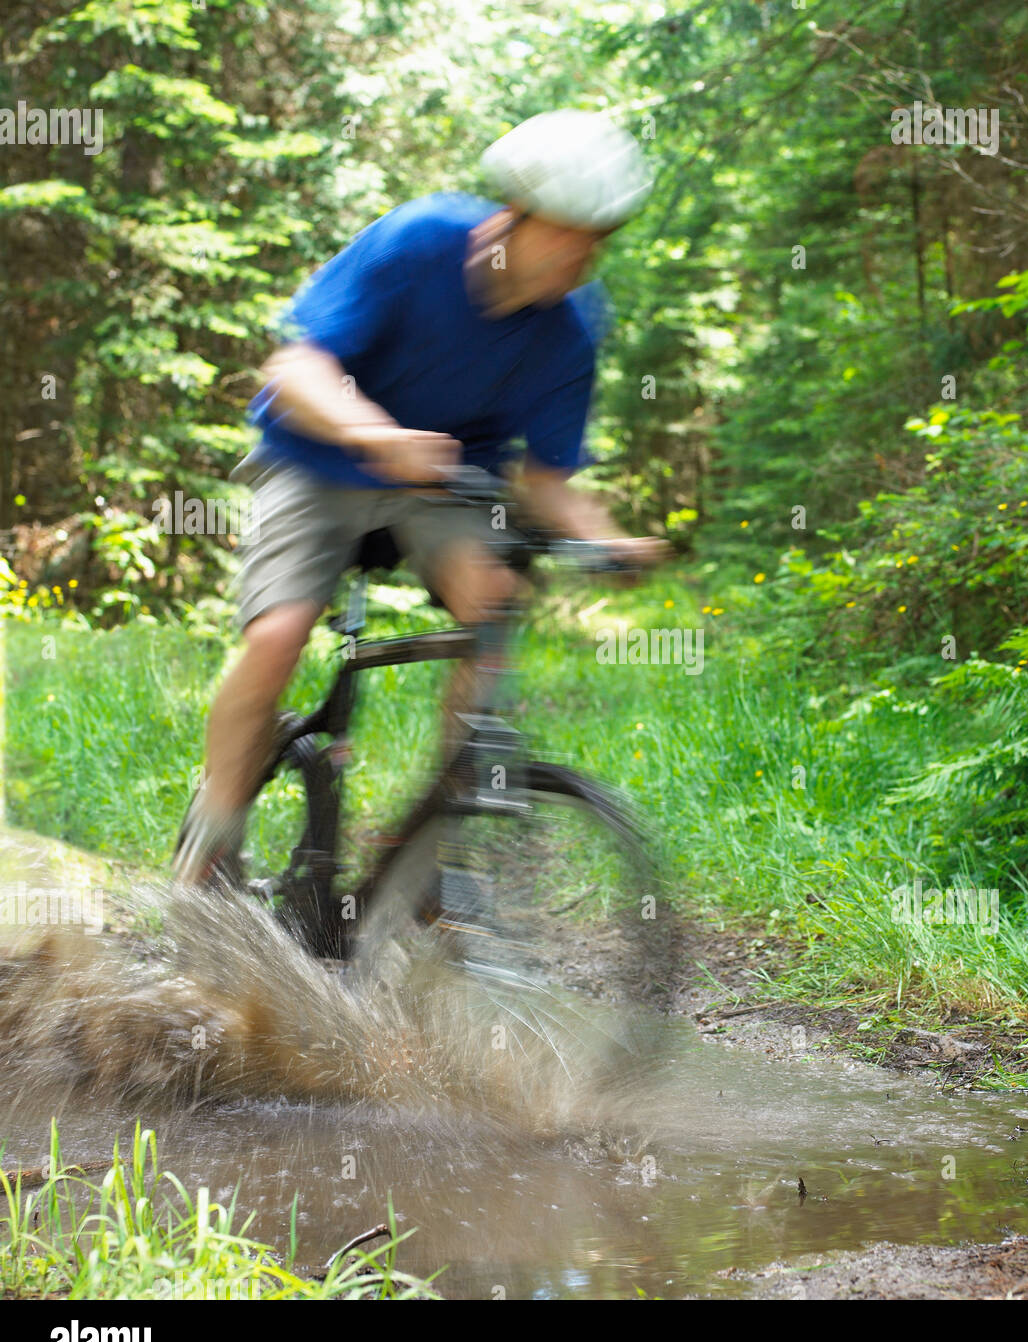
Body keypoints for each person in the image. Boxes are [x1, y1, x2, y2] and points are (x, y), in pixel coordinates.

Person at [174, 109, 665, 887]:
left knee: (493, 599)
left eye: (598, 238)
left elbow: (545, 483)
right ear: (515, 215)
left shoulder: (569, 331)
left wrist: (611, 539)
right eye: (569, 231)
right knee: (279, 636)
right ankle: (210, 840)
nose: (583, 254)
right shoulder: (419, 240)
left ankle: (427, 854)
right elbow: (294, 372)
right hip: (316, 454)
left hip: (438, 483)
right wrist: (375, 435)